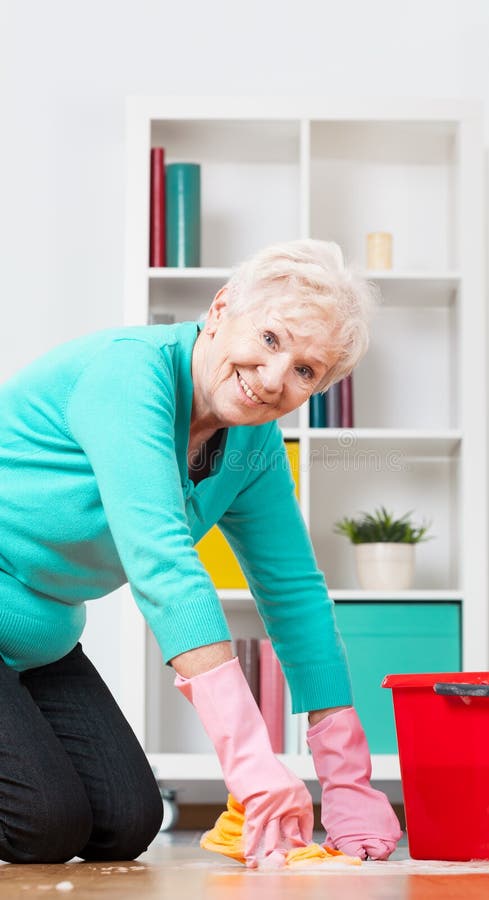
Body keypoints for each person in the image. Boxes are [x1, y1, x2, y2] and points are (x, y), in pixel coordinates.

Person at [0, 239, 402, 867]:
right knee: (41, 825)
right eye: (271, 339)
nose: (274, 380)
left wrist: (347, 779)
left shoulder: (250, 446)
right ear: (221, 309)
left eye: (305, 371)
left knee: (128, 823)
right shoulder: (129, 376)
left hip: (40, 639)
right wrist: (249, 763)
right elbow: (162, 562)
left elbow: (293, 592)